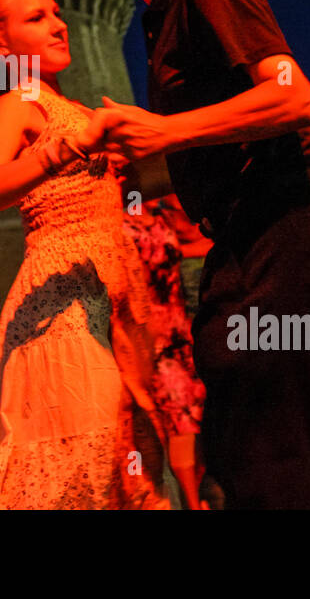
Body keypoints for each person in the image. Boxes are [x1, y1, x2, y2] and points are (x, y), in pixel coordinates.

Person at [68, 0, 310, 509]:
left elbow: (296, 97)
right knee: (236, 423)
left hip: (289, 216)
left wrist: (166, 130)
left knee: (283, 429)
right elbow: (200, 142)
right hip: (242, 232)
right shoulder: (160, 14)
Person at [0, 0, 170, 510]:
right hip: (62, 302)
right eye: (36, 17)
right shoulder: (18, 103)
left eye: (56, 12)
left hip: (113, 294)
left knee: (127, 459)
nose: (59, 25)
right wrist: (67, 147)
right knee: (81, 458)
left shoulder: (73, 107)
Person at [122, 196, 209, 509]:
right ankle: (192, 503)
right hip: (150, 333)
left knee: (195, 415)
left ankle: (195, 497)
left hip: (179, 328)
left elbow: (195, 240)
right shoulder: (120, 223)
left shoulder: (160, 214)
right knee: (178, 416)